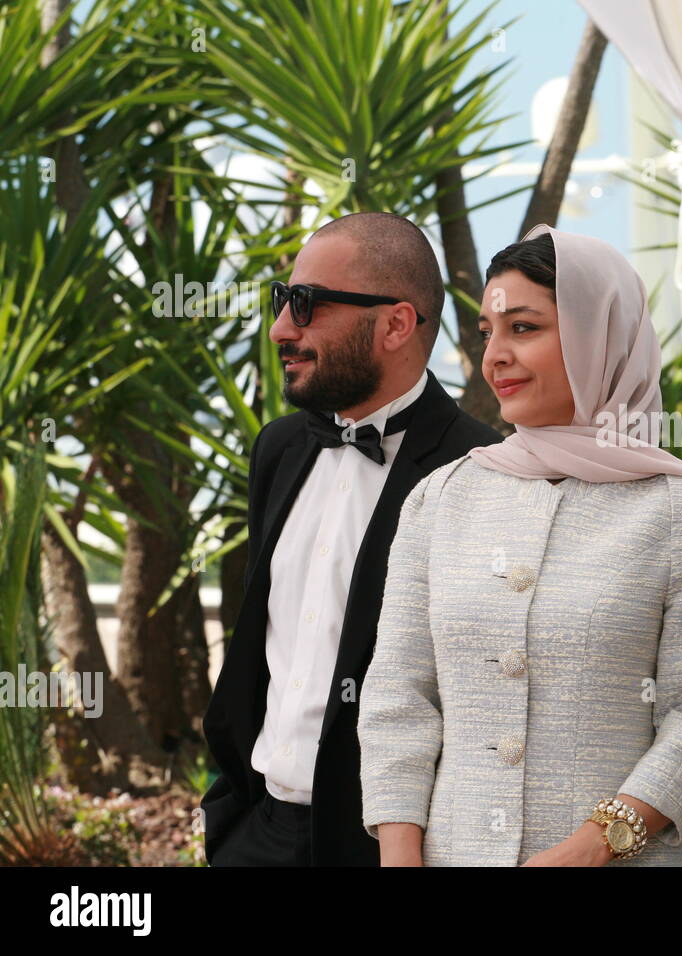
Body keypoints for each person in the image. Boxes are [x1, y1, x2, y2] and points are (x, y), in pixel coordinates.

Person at [358, 225, 682, 866]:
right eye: (489, 334)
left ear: (599, 335)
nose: (495, 357)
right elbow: (399, 697)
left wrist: (591, 848)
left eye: (524, 328)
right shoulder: (441, 499)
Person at [201, 212, 504, 866]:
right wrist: (229, 818)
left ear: (395, 324)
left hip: (383, 846)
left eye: (306, 306)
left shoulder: (482, 470)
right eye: (284, 300)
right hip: (254, 832)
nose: (282, 328)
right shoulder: (279, 448)